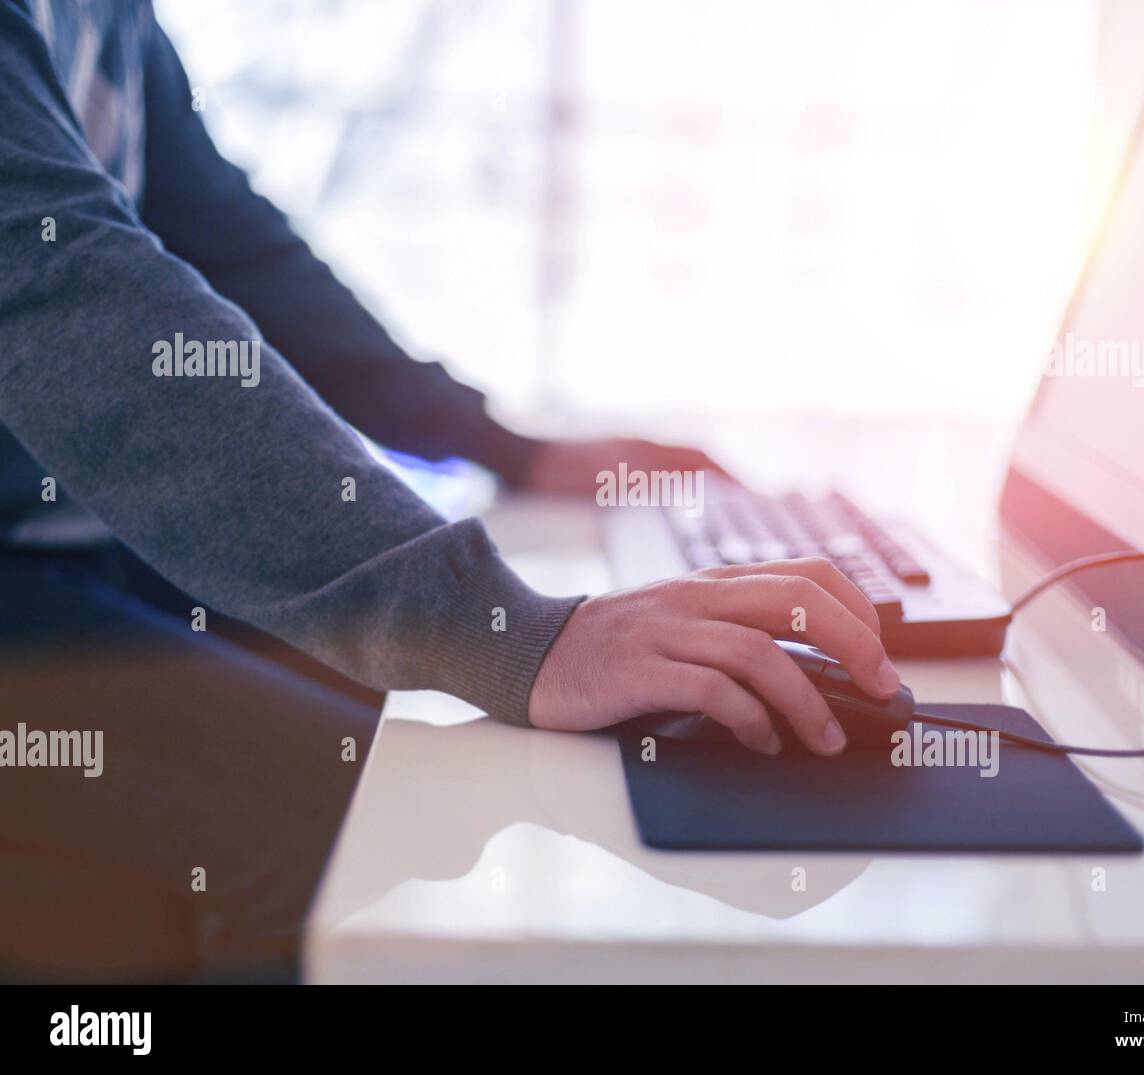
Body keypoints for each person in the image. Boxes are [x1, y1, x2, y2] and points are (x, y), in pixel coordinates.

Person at [0, 0, 897, 981]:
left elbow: (228, 245)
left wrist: (500, 444)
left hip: (68, 547)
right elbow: (71, 291)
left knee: (413, 752)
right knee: (343, 819)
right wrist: (504, 628)